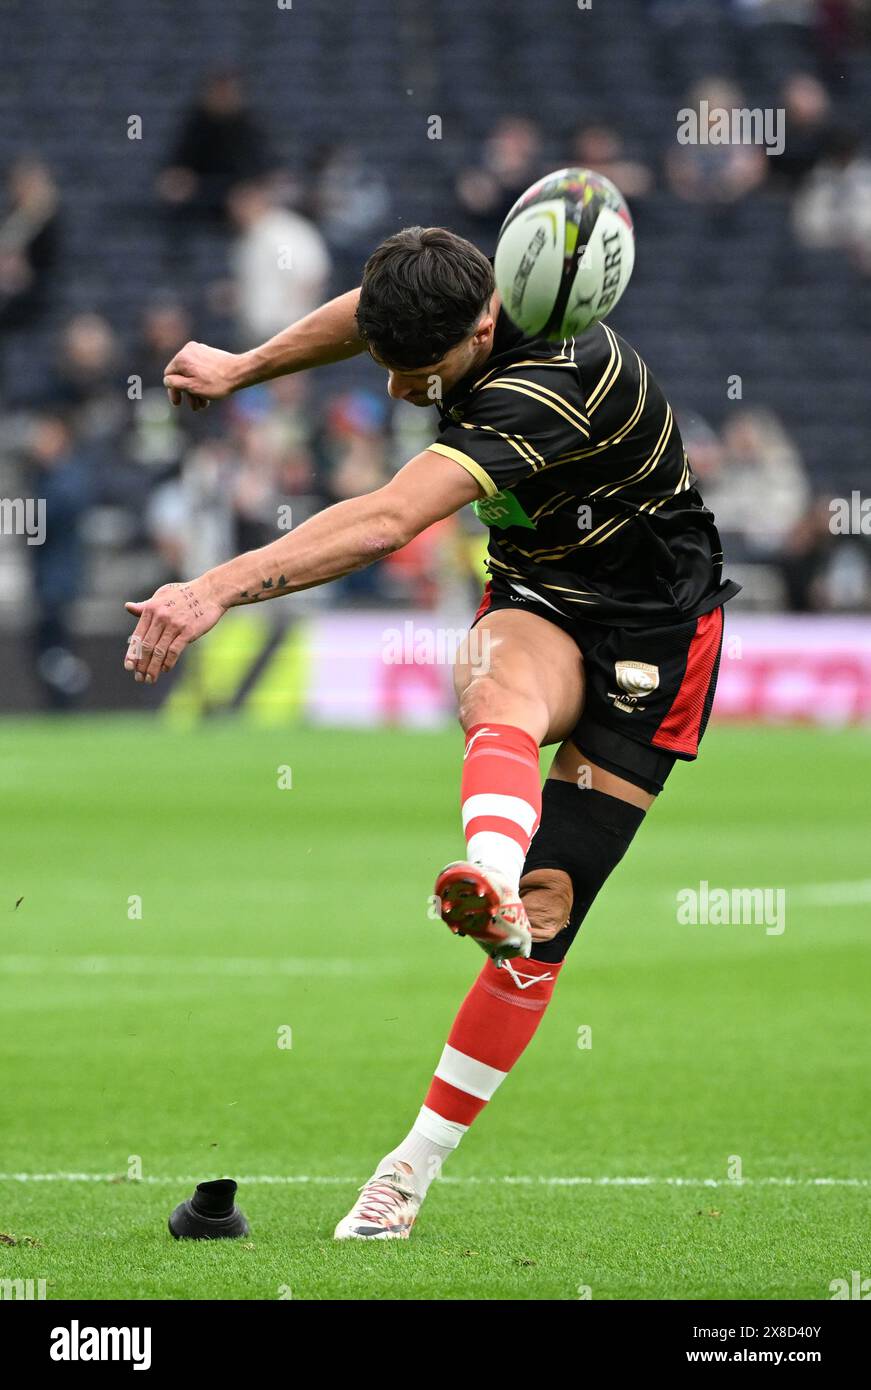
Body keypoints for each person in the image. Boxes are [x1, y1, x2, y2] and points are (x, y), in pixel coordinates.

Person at [127, 227, 739, 1239]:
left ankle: (406, 1171)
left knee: (546, 928)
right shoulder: (448, 295)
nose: (409, 391)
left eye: (427, 373)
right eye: (395, 369)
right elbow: (363, 319)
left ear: (485, 322)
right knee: (494, 687)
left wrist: (213, 588)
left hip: (660, 636)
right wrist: (247, 366)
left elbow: (386, 520)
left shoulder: (542, 386)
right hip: (545, 590)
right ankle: (489, 880)